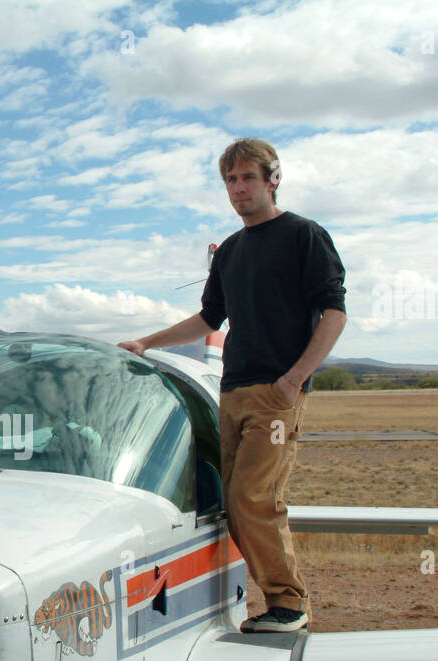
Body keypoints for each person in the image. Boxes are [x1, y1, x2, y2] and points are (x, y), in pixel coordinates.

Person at [118, 138, 347, 632]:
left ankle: (291, 603)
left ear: (272, 179)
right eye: (231, 180)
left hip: (275, 394)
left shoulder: (304, 236)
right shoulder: (231, 251)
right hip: (232, 391)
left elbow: (334, 313)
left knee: (254, 498)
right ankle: (243, 603)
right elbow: (208, 317)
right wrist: (147, 342)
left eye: (248, 178)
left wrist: (294, 380)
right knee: (230, 502)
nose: (239, 188)